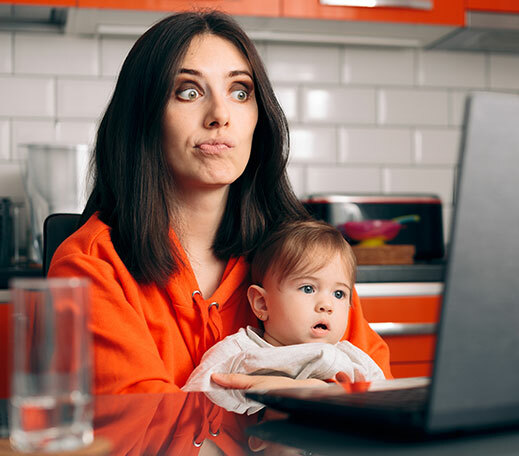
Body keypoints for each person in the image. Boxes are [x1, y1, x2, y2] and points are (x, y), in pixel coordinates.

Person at [48, 10, 392, 394]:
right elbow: (141, 433)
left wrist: (333, 402)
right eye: (188, 92)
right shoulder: (89, 268)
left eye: (240, 91)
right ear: (142, 117)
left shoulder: (305, 258)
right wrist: (290, 410)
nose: (220, 115)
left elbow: (383, 398)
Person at [182, 220, 386, 413]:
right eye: (308, 288)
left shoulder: (353, 358)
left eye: (339, 294)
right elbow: (190, 402)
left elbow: (385, 406)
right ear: (262, 303)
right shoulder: (240, 352)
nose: (327, 305)